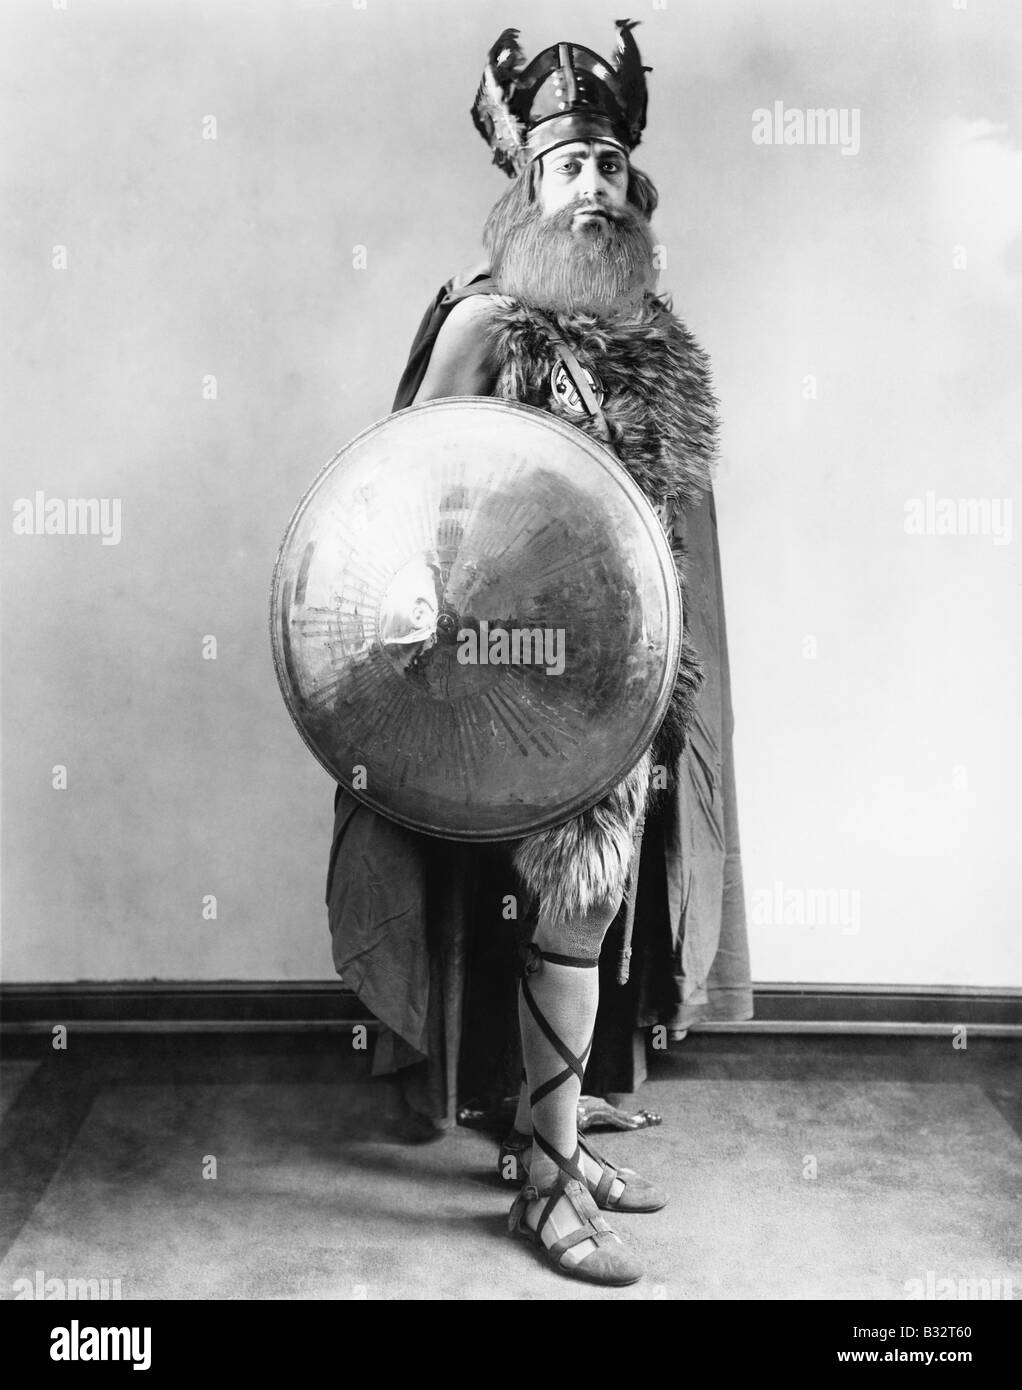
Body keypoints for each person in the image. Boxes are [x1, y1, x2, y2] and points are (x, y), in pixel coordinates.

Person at [326, 20, 752, 1285]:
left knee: (599, 907)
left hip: (623, 676)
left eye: (615, 171)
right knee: (571, 904)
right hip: (508, 675)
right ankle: (547, 1186)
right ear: (524, 186)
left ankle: (547, 1128)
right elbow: (409, 493)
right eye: (573, 169)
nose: (598, 187)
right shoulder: (480, 320)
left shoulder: (650, 342)